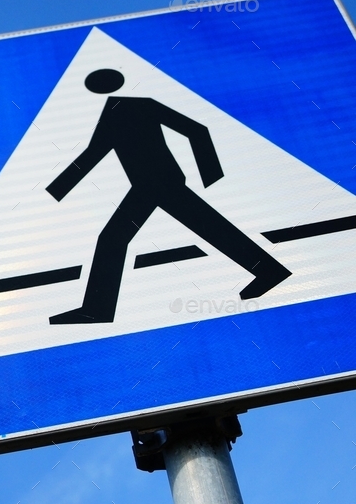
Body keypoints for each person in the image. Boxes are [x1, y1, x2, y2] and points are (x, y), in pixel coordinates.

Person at [46, 68, 291, 324]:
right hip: (151, 184)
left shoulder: (126, 109)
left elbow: (195, 130)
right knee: (204, 228)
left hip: (159, 183)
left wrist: (212, 177)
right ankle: (269, 270)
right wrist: (57, 190)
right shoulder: (124, 110)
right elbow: (95, 153)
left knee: (116, 238)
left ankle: (98, 308)